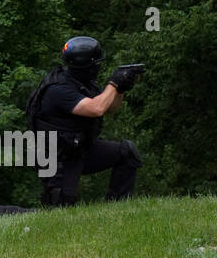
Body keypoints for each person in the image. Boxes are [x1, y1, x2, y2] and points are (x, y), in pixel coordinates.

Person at [27, 36, 143, 207]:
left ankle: (118, 209)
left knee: (127, 153)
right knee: (61, 210)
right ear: (88, 66)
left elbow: (110, 108)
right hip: (55, 158)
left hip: (78, 149)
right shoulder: (58, 89)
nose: (99, 67)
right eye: (97, 64)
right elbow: (96, 108)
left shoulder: (83, 83)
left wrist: (121, 89)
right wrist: (113, 83)